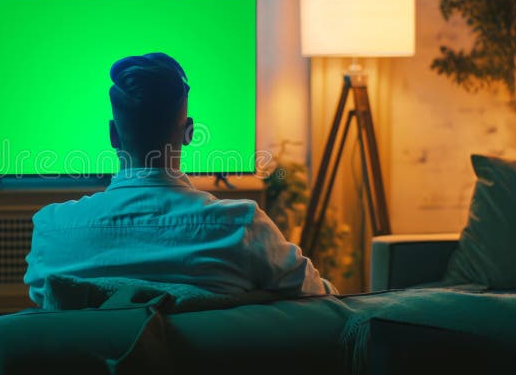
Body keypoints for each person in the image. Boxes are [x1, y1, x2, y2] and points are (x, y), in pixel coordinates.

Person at [23, 52, 336, 307]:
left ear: (113, 135)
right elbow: (320, 297)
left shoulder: (52, 231)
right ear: (189, 133)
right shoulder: (242, 227)